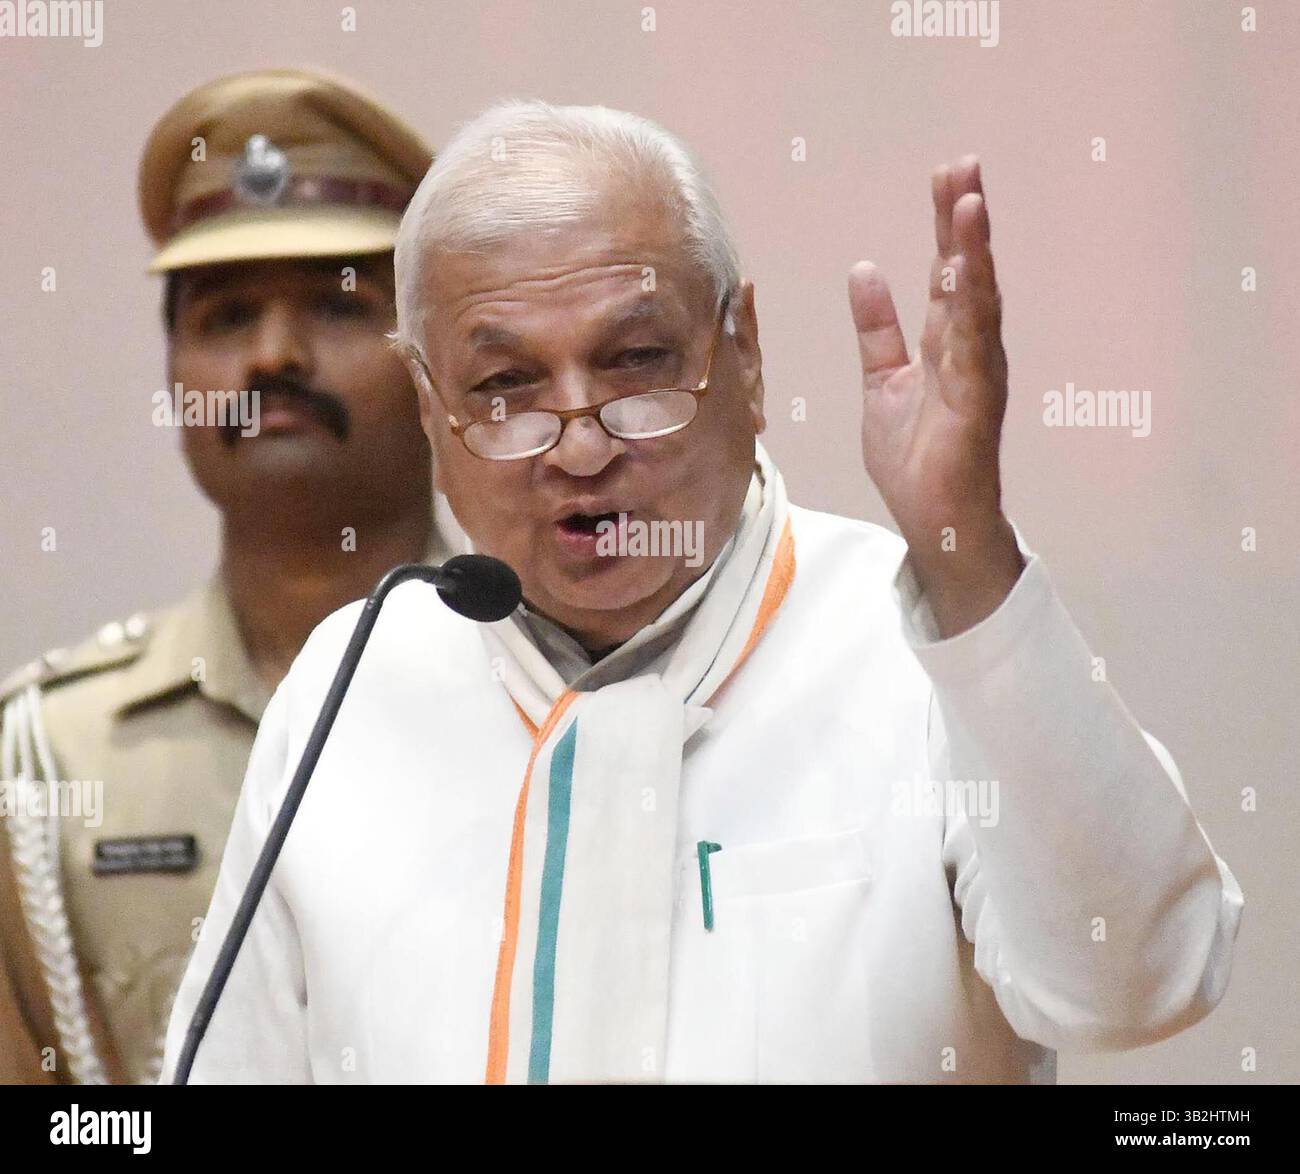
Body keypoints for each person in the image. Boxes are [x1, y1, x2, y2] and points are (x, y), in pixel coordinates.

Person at [161, 100, 1242, 1084]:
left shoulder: (913, 640)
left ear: (747, 355)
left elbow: (1145, 981)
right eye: (505, 386)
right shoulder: (353, 686)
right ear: (429, 403)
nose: (579, 444)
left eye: (634, 361)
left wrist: (966, 552)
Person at [0, 68, 463, 1085]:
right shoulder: (46, 762)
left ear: (438, 360)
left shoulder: (559, 689)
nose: (273, 356)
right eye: (225, 315)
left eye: (337, 309)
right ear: (172, 368)